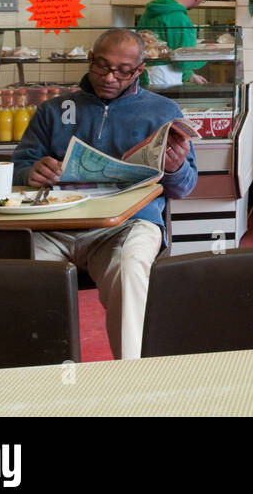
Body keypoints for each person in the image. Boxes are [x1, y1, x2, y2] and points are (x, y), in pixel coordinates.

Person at [13, 29, 197, 360]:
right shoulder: (53, 110)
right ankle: (36, 376)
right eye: (101, 66)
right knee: (17, 277)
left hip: (127, 225)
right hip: (54, 225)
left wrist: (174, 168)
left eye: (123, 70)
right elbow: (20, 167)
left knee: (129, 269)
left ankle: (131, 377)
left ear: (139, 70)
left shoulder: (163, 112)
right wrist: (30, 172)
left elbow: (184, 187)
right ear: (89, 60)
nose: (110, 77)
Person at [137, 0, 210, 87]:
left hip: (143, 76)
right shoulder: (180, 19)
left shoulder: (152, 10)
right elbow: (185, 61)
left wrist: (189, 75)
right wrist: (208, 53)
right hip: (163, 80)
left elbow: (169, 51)